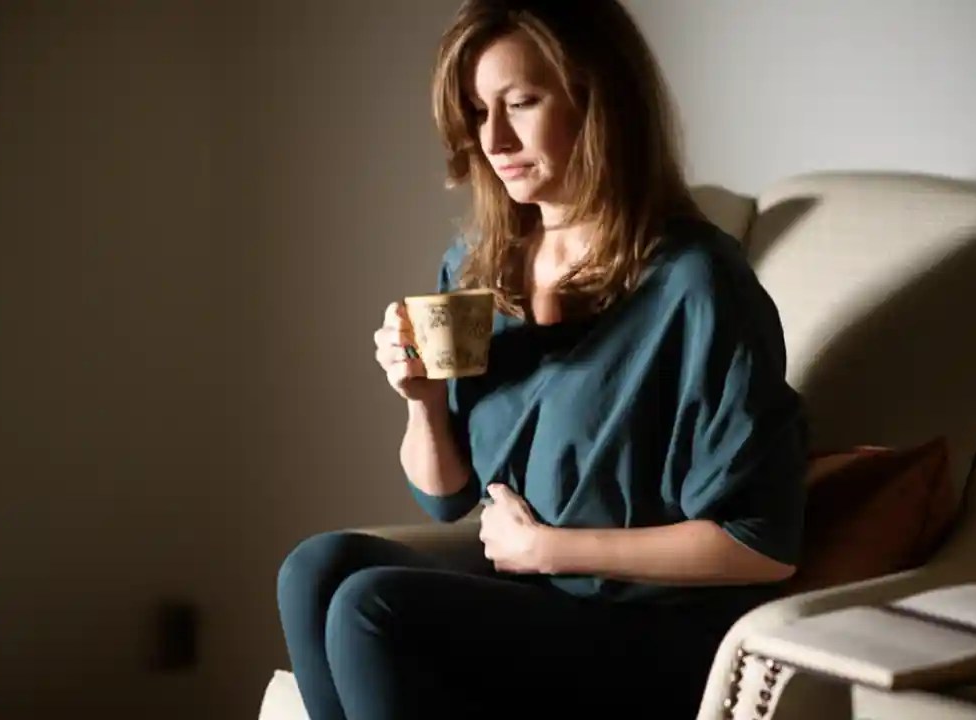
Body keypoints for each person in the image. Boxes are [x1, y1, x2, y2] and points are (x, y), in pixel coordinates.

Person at [276, 1, 807, 718]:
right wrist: (421, 400)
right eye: (475, 110)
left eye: (520, 103)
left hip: (652, 627)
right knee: (315, 570)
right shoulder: (479, 265)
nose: (492, 138)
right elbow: (447, 496)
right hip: (530, 596)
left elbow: (761, 545)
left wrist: (551, 550)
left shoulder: (697, 283)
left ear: (599, 103)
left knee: (375, 608)